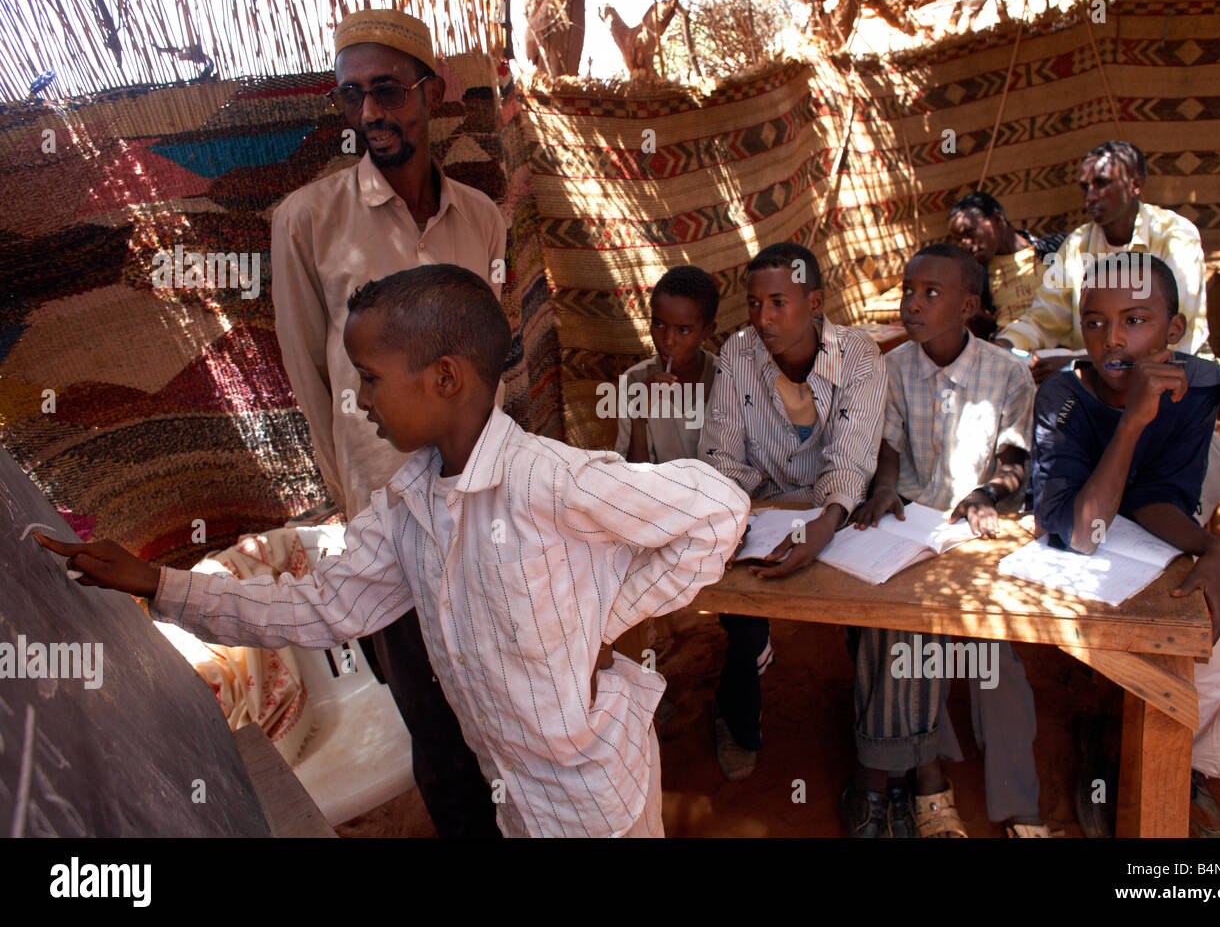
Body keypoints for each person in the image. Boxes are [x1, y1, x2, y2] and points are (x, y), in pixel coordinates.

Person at [38, 264, 749, 838]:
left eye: (371, 378)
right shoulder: (409, 508)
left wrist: (605, 615)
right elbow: (319, 606)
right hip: (520, 804)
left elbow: (719, 510)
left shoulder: (549, 480)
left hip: (600, 805)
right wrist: (160, 585)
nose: (360, 401)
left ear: (445, 377)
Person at [271, 8, 506, 836]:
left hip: (485, 507)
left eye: (387, 90)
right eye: (352, 97)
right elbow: (309, 374)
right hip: (389, 517)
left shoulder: (481, 218)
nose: (371, 113)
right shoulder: (307, 221)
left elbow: (486, 357)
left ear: (431, 94)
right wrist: (353, 508)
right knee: (436, 729)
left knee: (505, 699)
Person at [1029, 251, 1220, 836]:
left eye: (1135, 319)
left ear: (1173, 331)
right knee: (1116, 628)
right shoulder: (1063, 399)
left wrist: (1213, 548)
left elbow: (1159, 496)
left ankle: (1178, 763)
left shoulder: (1197, 386)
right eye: (1094, 321)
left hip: (1144, 534)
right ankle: (1106, 744)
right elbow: (1082, 533)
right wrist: (1131, 423)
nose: (1111, 340)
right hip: (1081, 538)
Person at [844, 244, 1045, 838]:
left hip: (973, 536)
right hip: (909, 529)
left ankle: (1020, 804)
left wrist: (988, 494)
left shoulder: (1007, 373)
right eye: (908, 290)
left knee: (992, 663)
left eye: (931, 293)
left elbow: (1014, 461)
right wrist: (883, 489)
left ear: (969, 306)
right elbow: (889, 448)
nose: (913, 302)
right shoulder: (893, 366)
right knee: (897, 631)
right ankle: (929, 781)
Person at [697, 241, 886, 780]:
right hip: (763, 506)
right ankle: (739, 715)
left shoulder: (860, 356)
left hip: (840, 511)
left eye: (779, 302)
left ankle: (876, 744)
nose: (763, 318)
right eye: (754, 304)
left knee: (871, 614)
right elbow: (721, 454)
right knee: (741, 601)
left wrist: (824, 525)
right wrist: (738, 521)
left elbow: (852, 460)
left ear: (816, 301)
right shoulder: (738, 354)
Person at [995, 141, 1213, 383]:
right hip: (1101, 375)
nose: (1090, 196)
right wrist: (1007, 344)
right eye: (1085, 187)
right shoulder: (1078, 243)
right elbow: (1045, 317)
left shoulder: (1175, 235)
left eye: (1101, 184)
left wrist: (1080, 362)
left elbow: (1166, 331)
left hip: (1175, 368)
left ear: (1135, 184)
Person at [615, 265, 719, 464]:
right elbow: (633, 476)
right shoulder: (634, 381)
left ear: (707, 331)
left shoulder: (725, 379)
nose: (668, 340)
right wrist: (638, 417)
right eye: (659, 324)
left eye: (683, 330)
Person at [947, 190, 1066, 338]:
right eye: (960, 239)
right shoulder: (976, 278)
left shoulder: (1055, 248)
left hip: (1064, 346)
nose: (966, 244)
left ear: (997, 220)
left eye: (970, 232)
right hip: (1012, 351)